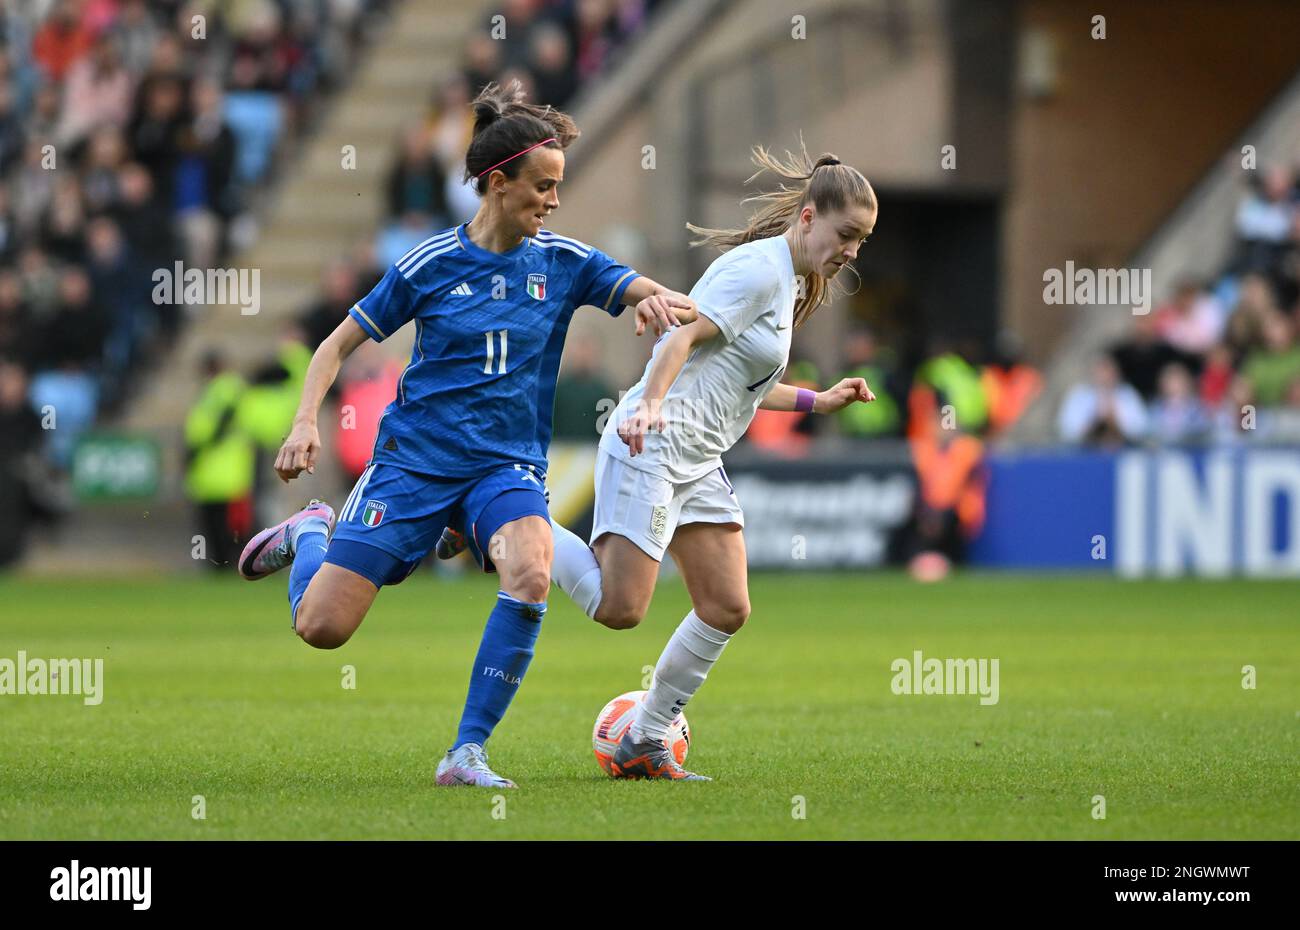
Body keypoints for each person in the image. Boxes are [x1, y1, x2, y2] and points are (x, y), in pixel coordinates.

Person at [236, 81, 696, 789]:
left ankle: (466, 752)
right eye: (541, 186)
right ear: (496, 182)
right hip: (413, 464)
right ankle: (313, 532)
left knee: (532, 570)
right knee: (321, 628)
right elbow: (333, 347)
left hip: (502, 469)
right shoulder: (429, 265)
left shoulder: (565, 261)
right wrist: (304, 423)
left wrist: (665, 303)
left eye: (558, 187)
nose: (553, 200)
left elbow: (649, 293)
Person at [547, 143, 878, 779]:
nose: (852, 251)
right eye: (847, 235)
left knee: (727, 606)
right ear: (809, 218)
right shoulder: (756, 271)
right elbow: (681, 336)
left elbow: (745, 381)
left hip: (697, 460)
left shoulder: (791, 281)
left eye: (861, 241)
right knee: (620, 609)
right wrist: (648, 403)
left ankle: (643, 741)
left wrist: (819, 400)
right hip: (655, 441)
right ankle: (517, 524)